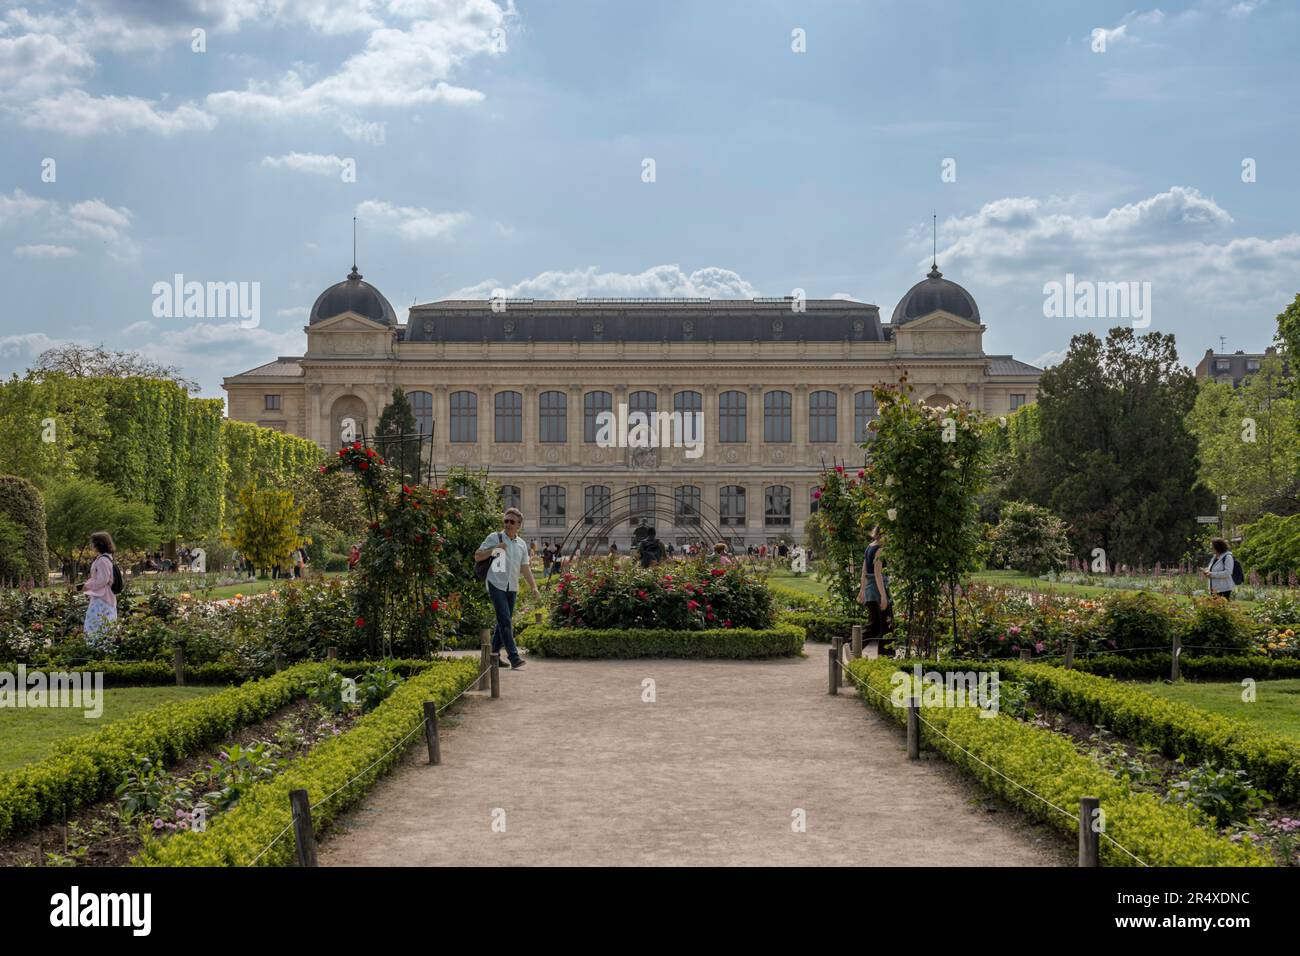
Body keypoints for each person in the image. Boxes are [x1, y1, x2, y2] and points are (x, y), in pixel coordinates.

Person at [474, 506, 539, 669]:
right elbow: (477, 555)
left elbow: (525, 567)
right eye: (506, 521)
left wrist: (534, 587)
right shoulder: (494, 537)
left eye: (512, 521)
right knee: (505, 621)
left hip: (512, 587)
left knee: (502, 622)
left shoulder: (522, 544)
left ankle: (493, 657)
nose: (508, 524)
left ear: (519, 525)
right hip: (496, 583)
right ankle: (514, 657)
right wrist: (495, 549)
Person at [79, 531, 119, 642]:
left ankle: (98, 649)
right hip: (103, 597)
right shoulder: (105, 558)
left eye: (92, 543)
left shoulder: (102, 560)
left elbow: (103, 580)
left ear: (99, 544)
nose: (91, 546)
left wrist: (86, 586)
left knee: (96, 624)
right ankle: (102, 648)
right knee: (102, 624)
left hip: (103, 598)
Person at [858, 526, 891, 645]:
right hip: (878, 590)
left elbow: (864, 571)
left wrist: (862, 590)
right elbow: (878, 574)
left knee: (874, 625)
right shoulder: (880, 549)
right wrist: (883, 596)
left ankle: (852, 646)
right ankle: (886, 656)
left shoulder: (869, 547)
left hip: (869, 590)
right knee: (888, 625)